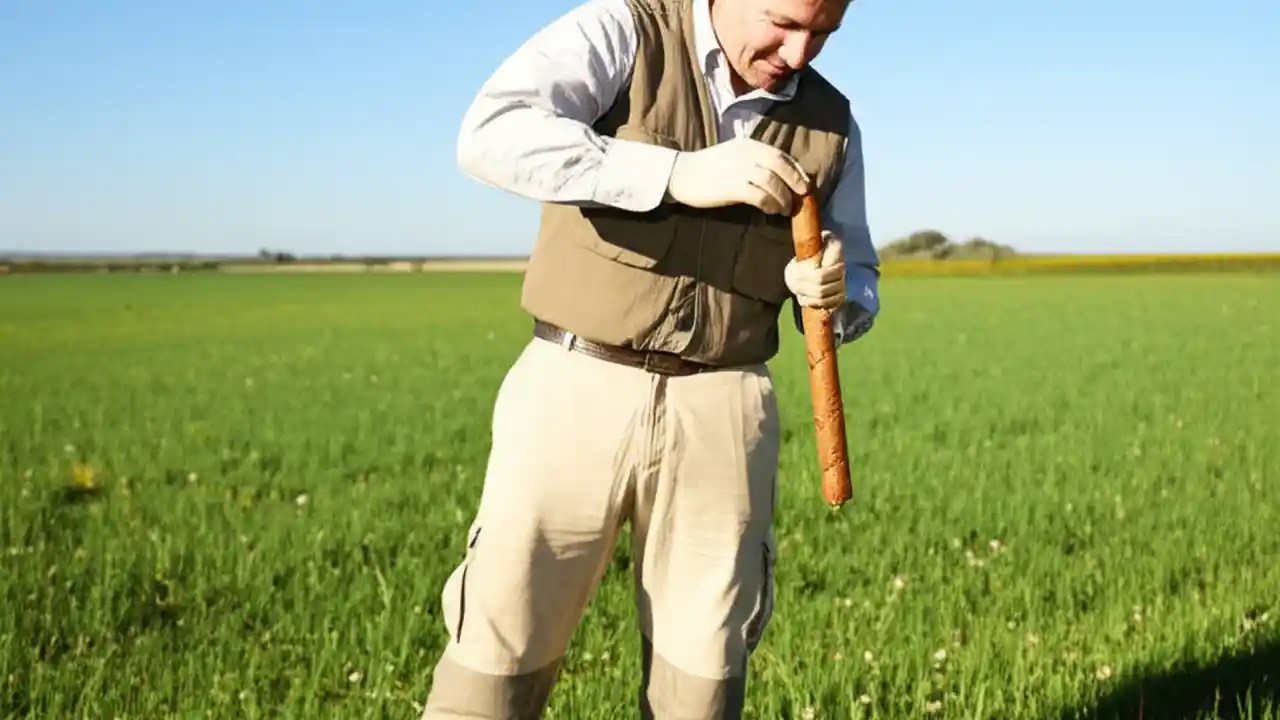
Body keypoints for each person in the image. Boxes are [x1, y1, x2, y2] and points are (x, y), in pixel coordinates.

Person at [420, 0, 879, 716]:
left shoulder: (833, 123)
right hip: (574, 384)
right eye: (781, 22)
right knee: (497, 657)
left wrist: (833, 289)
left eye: (822, 33)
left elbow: (857, 281)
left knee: (702, 675)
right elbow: (490, 135)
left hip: (726, 407)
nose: (797, 53)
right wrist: (675, 173)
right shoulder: (624, 29)